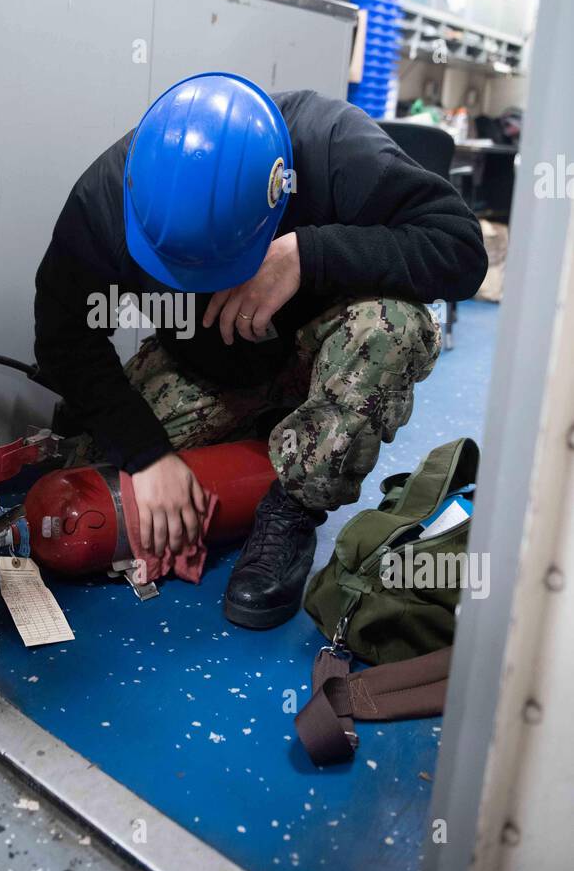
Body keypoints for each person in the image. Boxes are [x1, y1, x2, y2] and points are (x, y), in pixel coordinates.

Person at [34, 73, 487, 629]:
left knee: (393, 324)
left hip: (325, 351)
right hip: (210, 361)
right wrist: (145, 454)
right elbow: (63, 338)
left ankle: (294, 506)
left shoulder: (332, 146)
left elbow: (462, 250)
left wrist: (308, 255)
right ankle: (270, 436)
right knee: (93, 486)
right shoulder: (108, 199)